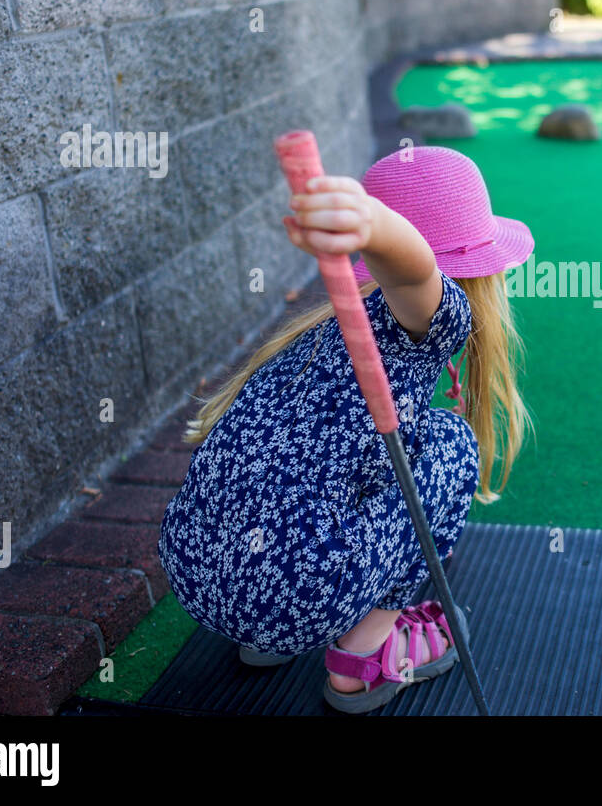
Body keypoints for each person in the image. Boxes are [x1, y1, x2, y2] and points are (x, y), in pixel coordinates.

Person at [158, 145, 533, 713]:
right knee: (450, 445)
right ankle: (363, 660)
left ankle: (264, 632)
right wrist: (377, 227)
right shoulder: (425, 320)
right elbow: (415, 273)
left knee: (349, 458)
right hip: (294, 596)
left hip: (191, 571)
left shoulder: (316, 338)